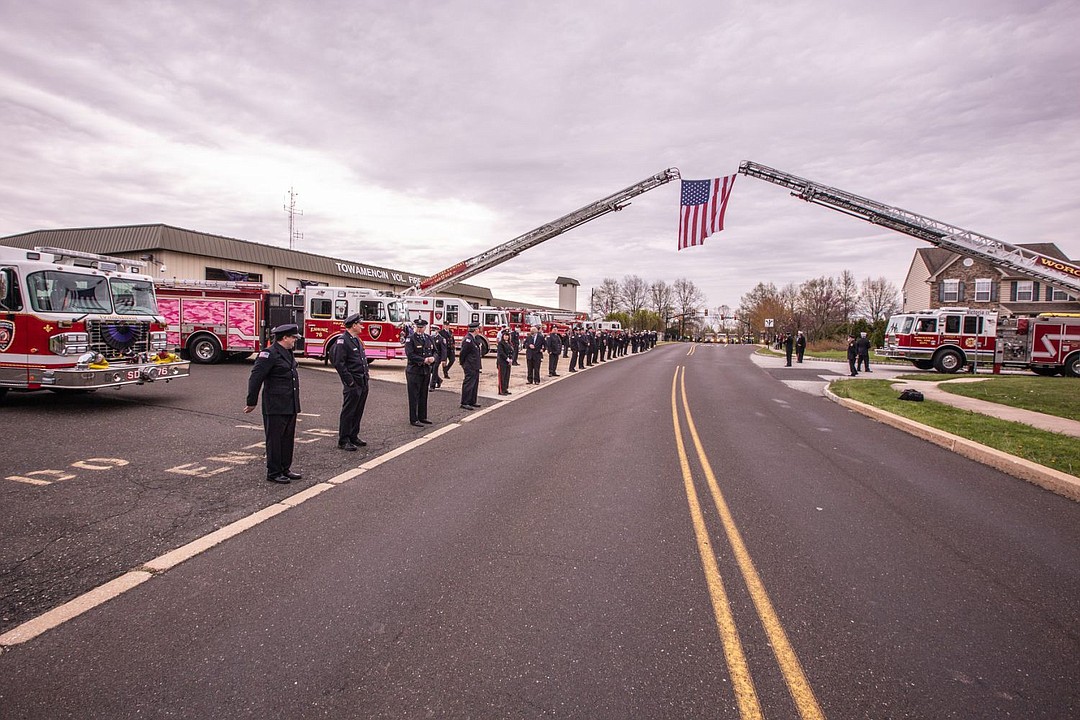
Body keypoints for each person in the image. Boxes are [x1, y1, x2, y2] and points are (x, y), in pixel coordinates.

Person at [245, 323, 302, 484]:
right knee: (275, 440)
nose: (294, 341)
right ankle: (274, 471)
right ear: (284, 338)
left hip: (289, 404)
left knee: (287, 439)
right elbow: (256, 378)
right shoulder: (268, 354)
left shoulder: (288, 352)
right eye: (293, 338)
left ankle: (285, 468)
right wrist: (251, 401)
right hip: (275, 405)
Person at [330, 313, 369, 452]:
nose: (362, 327)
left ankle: (353, 435)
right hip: (353, 383)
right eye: (360, 324)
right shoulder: (343, 341)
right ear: (353, 325)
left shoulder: (356, 339)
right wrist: (349, 381)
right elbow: (339, 363)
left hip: (362, 381)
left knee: (358, 410)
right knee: (349, 411)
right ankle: (344, 439)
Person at [404, 318, 436, 427]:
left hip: (425, 371)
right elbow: (410, 354)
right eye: (417, 327)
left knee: (423, 394)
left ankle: (422, 416)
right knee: (414, 395)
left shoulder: (428, 338)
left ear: (425, 328)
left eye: (421, 327)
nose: (419, 329)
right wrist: (423, 360)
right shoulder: (410, 339)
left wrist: (433, 358)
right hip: (414, 371)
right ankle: (414, 418)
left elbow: (435, 351)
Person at [459, 321, 482, 409]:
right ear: (475, 330)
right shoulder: (468, 340)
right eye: (478, 329)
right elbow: (463, 353)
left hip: (475, 365)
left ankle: (472, 400)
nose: (479, 330)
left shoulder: (474, 339)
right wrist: (463, 363)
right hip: (469, 365)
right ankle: (465, 402)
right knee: (469, 383)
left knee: (474, 384)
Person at [429, 323, 447, 390]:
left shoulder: (441, 339)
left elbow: (444, 350)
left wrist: (443, 359)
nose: (432, 331)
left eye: (434, 330)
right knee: (430, 370)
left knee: (434, 371)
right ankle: (439, 380)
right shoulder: (430, 337)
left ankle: (432, 386)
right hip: (430, 357)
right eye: (432, 330)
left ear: (437, 330)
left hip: (437, 357)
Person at [496, 328, 514, 395]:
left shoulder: (510, 343)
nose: (506, 337)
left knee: (507, 376)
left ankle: (505, 388)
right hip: (502, 362)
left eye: (507, 335)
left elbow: (512, 351)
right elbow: (501, 352)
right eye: (505, 335)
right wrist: (507, 358)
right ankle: (501, 390)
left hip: (508, 362)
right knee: (502, 376)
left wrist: (511, 358)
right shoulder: (501, 343)